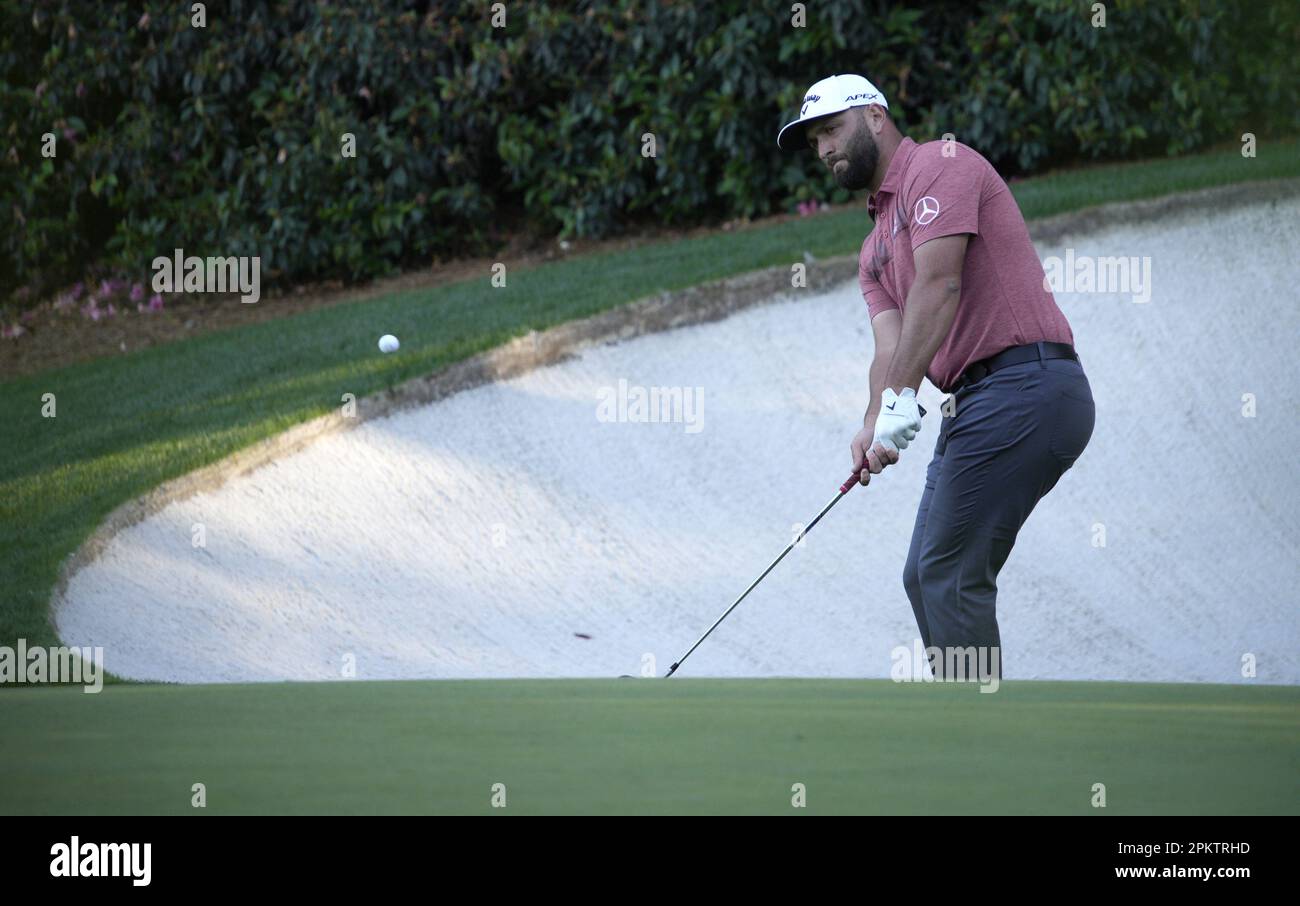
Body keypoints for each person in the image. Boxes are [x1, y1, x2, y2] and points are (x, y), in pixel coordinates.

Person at [777, 74, 1096, 678]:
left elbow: (941, 283)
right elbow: (889, 347)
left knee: (950, 571)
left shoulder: (940, 166)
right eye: (814, 141)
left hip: (1028, 385)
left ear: (875, 116)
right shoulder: (873, 250)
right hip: (979, 403)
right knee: (924, 574)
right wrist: (875, 422)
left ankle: (980, 735)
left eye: (831, 130)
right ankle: (968, 715)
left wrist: (900, 399)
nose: (823, 150)